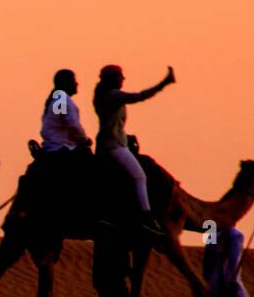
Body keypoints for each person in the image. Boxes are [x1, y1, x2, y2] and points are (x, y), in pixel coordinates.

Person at [92, 64, 175, 235]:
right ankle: (146, 216)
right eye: (120, 76)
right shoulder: (113, 96)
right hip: (113, 145)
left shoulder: (105, 96)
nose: (123, 79)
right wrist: (163, 84)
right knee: (139, 176)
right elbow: (139, 96)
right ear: (113, 79)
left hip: (112, 143)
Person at [202, 226, 253, 297]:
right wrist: (206, 270)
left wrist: (232, 271)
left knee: (234, 285)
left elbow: (234, 255)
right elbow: (208, 253)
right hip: (217, 264)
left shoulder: (235, 235)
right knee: (215, 286)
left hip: (228, 265)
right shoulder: (213, 235)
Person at [39, 69, 92, 152]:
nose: (77, 84)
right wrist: (84, 139)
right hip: (61, 147)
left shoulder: (56, 100)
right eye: (73, 81)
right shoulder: (62, 100)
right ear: (67, 83)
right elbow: (74, 125)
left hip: (51, 147)